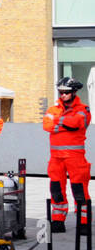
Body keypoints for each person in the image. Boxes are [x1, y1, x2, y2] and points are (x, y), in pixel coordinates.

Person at [43, 77, 91, 233]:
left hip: (75, 157)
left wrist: (58, 122)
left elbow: (77, 123)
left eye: (66, 92)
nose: (62, 95)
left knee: (79, 190)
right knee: (56, 189)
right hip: (56, 157)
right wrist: (65, 122)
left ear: (74, 92)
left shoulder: (83, 109)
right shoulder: (52, 109)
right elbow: (47, 126)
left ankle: (83, 222)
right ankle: (58, 220)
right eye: (61, 92)